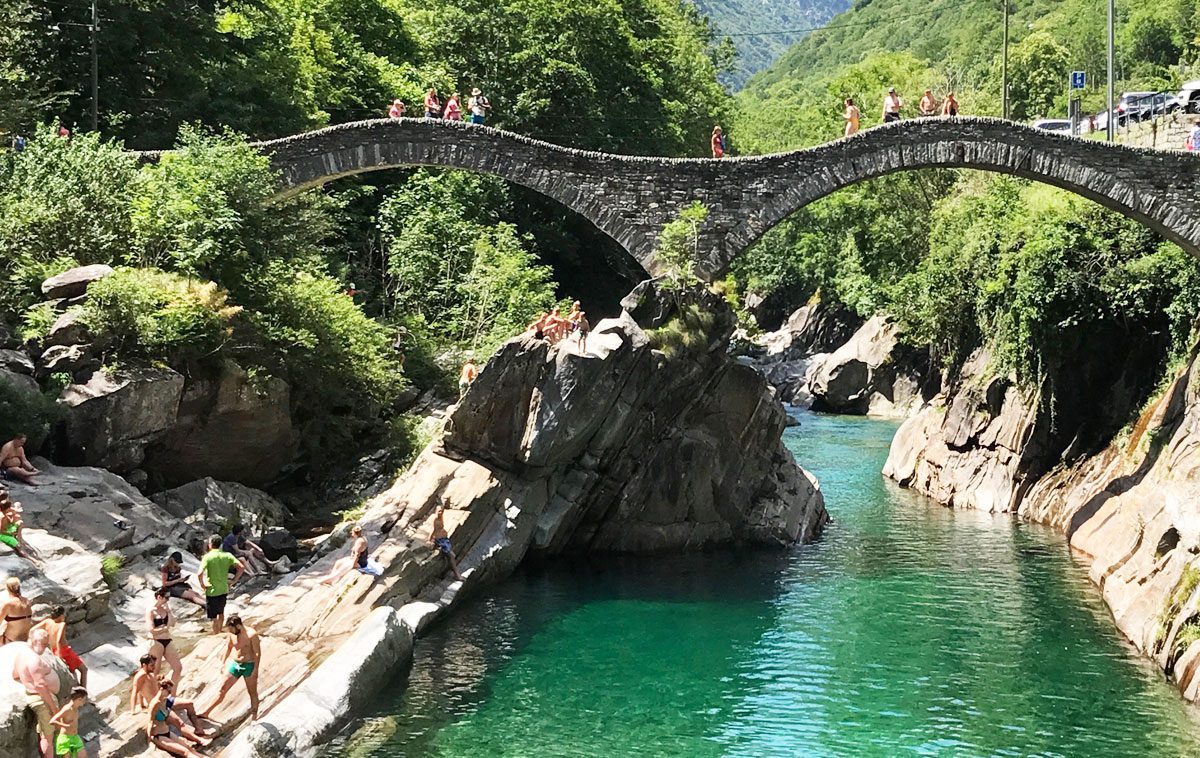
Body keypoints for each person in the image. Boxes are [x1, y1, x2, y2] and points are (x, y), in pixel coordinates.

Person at [199, 614, 262, 722]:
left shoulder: (252, 635)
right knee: (223, 688)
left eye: (231, 628)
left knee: (252, 692)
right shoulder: (232, 634)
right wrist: (224, 663)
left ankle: (254, 716)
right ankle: (206, 712)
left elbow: (257, 653)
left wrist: (255, 669)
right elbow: (229, 647)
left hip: (249, 664)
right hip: (236, 664)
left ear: (238, 626)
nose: (230, 631)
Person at [15, 629, 58, 758]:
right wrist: (54, 708)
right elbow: (40, 685)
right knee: (48, 736)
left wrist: (27, 681)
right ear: (35, 641)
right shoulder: (33, 659)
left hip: (38, 697)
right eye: (44, 644)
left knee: (45, 733)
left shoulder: (21, 655)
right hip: (42, 699)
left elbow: (15, 675)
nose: (45, 648)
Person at [147, 679, 209, 757]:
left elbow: (169, 716)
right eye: (168, 691)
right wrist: (149, 741)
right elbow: (150, 722)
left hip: (168, 732)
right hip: (159, 736)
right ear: (162, 689)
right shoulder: (155, 703)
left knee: (189, 748)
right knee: (186, 752)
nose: (170, 693)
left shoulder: (165, 700)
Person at [198, 536, 245, 635]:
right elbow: (241, 567)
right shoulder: (227, 555)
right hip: (223, 589)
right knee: (221, 612)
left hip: (211, 590)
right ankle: (220, 630)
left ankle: (216, 634)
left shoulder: (207, 557)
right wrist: (234, 580)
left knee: (213, 616)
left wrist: (202, 584)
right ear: (220, 545)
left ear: (210, 545)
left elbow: (199, 573)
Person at [32, 606, 86, 687]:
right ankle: (84, 691)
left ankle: (77, 688)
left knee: (72, 671)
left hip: (53, 650)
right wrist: (60, 657)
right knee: (84, 670)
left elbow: (32, 629)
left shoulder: (47, 622)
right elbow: (59, 640)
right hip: (64, 651)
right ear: (61, 615)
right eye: (63, 615)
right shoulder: (61, 624)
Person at [148, 587, 183, 683]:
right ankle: (155, 694)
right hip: (156, 642)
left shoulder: (165, 609)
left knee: (178, 667)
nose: (167, 600)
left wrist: (168, 611)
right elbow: (151, 630)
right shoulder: (151, 611)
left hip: (167, 640)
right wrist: (164, 629)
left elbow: (173, 623)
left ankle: (171, 694)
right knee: (155, 670)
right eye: (166, 598)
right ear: (159, 597)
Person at [49, 686, 87, 758]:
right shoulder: (67, 709)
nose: (85, 702)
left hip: (75, 737)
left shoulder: (76, 709)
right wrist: (65, 726)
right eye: (84, 699)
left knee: (83, 755)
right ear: (79, 699)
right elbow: (52, 720)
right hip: (65, 738)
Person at [430, 506, 464, 581]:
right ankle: (457, 575)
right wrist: (431, 540)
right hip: (441, 541)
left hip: (444, 540)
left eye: (441, 511)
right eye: (439, 511)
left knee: (452, 555)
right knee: (452, 555)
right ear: (435, 511)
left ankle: (449, 572)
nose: (440, 512)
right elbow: (434, 530)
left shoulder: (440, 518)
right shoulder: (435, 520)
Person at [1, 576, 34, 643]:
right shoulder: (27, 602)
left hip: (10, 640)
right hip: (25, 640)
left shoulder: (8, 604)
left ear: (8, 588)